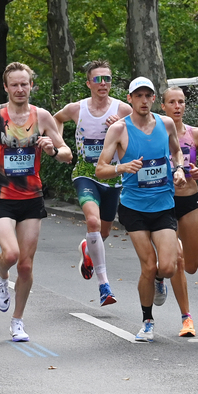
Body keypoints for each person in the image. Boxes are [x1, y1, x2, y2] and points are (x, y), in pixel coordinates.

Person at [0, 61, 72, 342]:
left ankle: (17, 321)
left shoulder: (42, 116)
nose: (19, 88)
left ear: (31, 86)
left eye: (24, 84)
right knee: (12, 255)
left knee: (26, 265)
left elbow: (67, 153)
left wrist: (53, 149)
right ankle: (2, 275)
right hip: (2, 196)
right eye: (14, 84)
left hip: (31, 196)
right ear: (6, 87)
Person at [94, 77, 186, 341]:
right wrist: (122, 167)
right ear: (130, 99)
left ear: (154, 99)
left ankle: (159, 279)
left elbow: (177, 153)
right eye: (139, 96)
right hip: (134, 207)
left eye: (148, 96)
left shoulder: (166, 124)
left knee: (167, 267)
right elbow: (101, 169)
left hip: (163, 204)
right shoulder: (120, 130)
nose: (144, 100)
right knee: (148, 265)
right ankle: (147, 321)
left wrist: (178, 169)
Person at [54, 60, 132, 307]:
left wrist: (120, 128)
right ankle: (104, 285)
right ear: (88, 83)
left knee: (104, 231)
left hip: (112, 176)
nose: (103, 84)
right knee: (93, 222)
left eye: (107, 79)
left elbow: (139, 133)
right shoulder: (77, 109)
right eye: (97, 79)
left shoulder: (123, 110)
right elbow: (55, 120)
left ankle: (88, 248)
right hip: (86, 173)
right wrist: (61, 146)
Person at [161, 86, 198, 337]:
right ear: (162, 106)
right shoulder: (154, 133)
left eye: (181, 102)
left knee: (192, 265)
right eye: (171, 102)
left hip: (190, 199)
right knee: (177, 260)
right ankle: (187, 318)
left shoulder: (196, 135)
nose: (177, 106)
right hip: (163, 203)